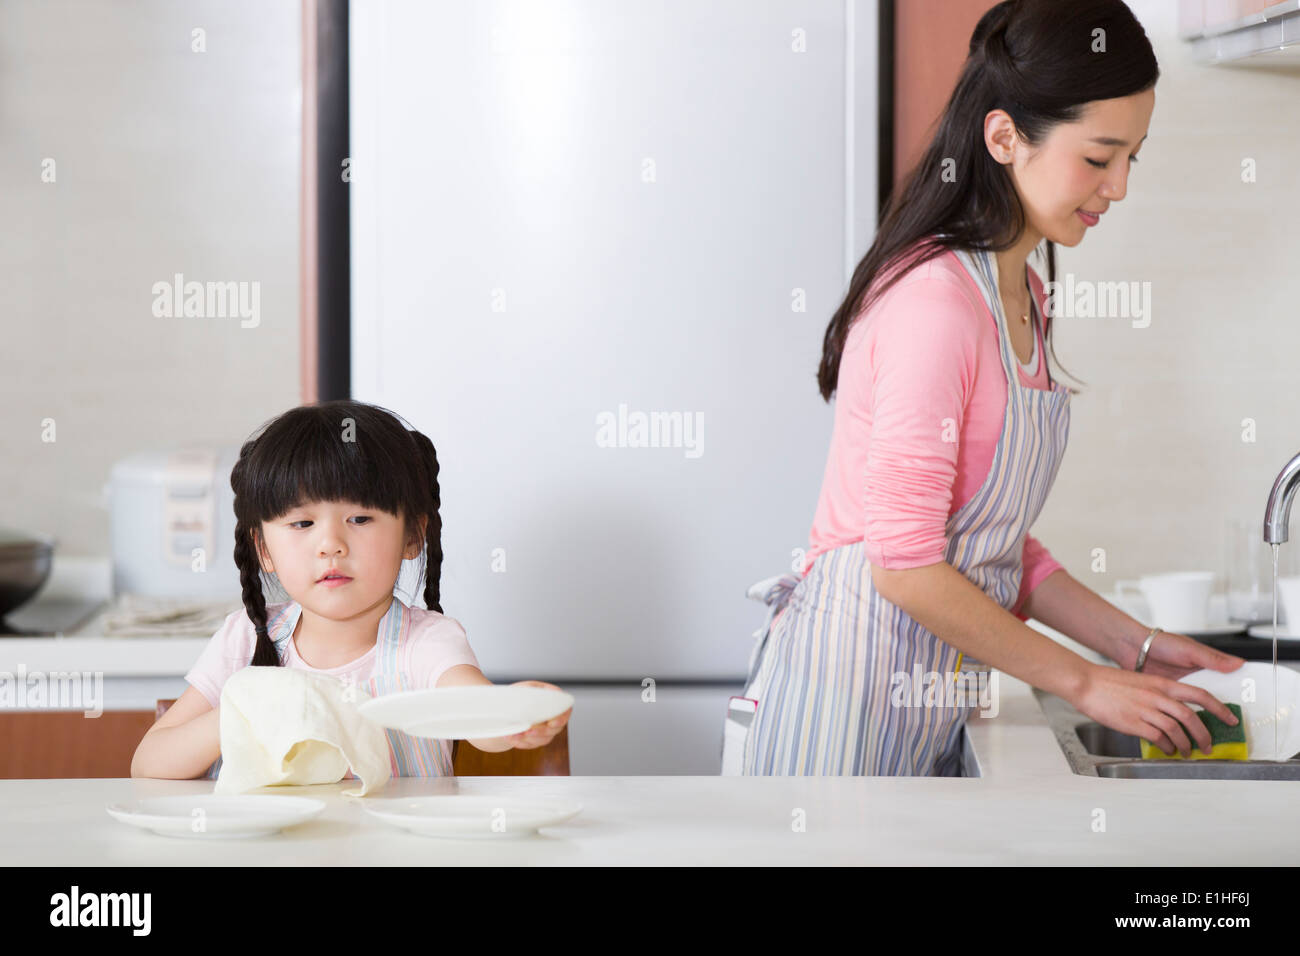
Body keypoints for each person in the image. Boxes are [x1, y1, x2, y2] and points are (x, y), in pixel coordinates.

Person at [735, 0, 1243, 776]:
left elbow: (994, 543)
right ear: (1005, 137)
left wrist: (1132, 646)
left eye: (1132, 158)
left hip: (923, 707)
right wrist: (1085, 682)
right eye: (1099, 156)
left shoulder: (1023, 296)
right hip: (836, 713)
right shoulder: (935, 304)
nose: (1120, 187)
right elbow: (904, 563)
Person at [131, 399, 571, 780]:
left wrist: (515, 716)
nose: (331, 545)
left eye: (359, 519)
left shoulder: (425, 644)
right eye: (302, 523)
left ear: (413, 536)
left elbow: (474, 714)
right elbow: (150, 762)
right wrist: (244, 708)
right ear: (263, 548)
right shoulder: (245, 639)